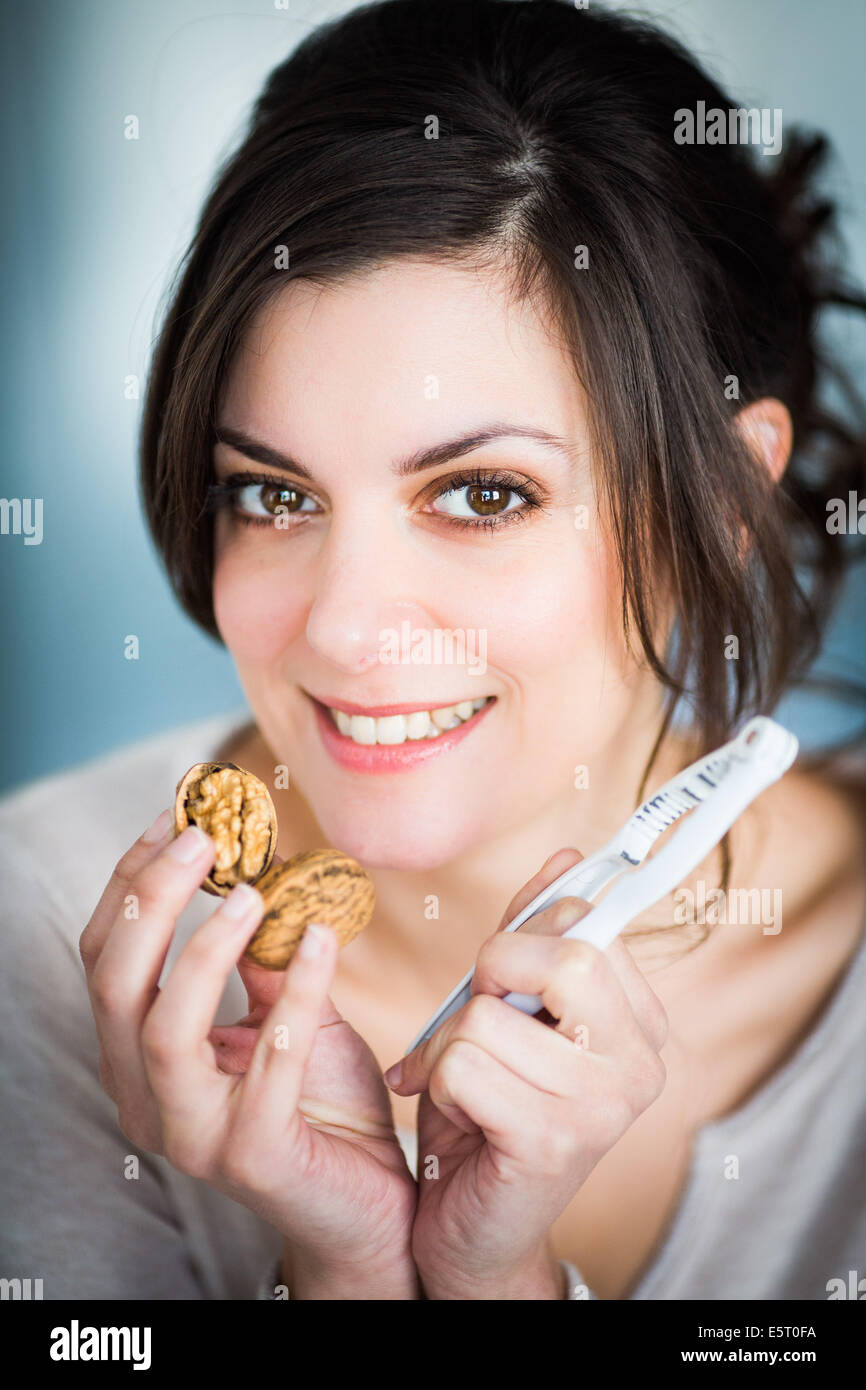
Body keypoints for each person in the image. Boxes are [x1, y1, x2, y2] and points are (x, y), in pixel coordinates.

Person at [2, 0, 865, 1301]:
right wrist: (343, 1267)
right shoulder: (33, 933)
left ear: (726, 504)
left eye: (481, 494)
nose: (346, 627)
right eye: (274, 495)